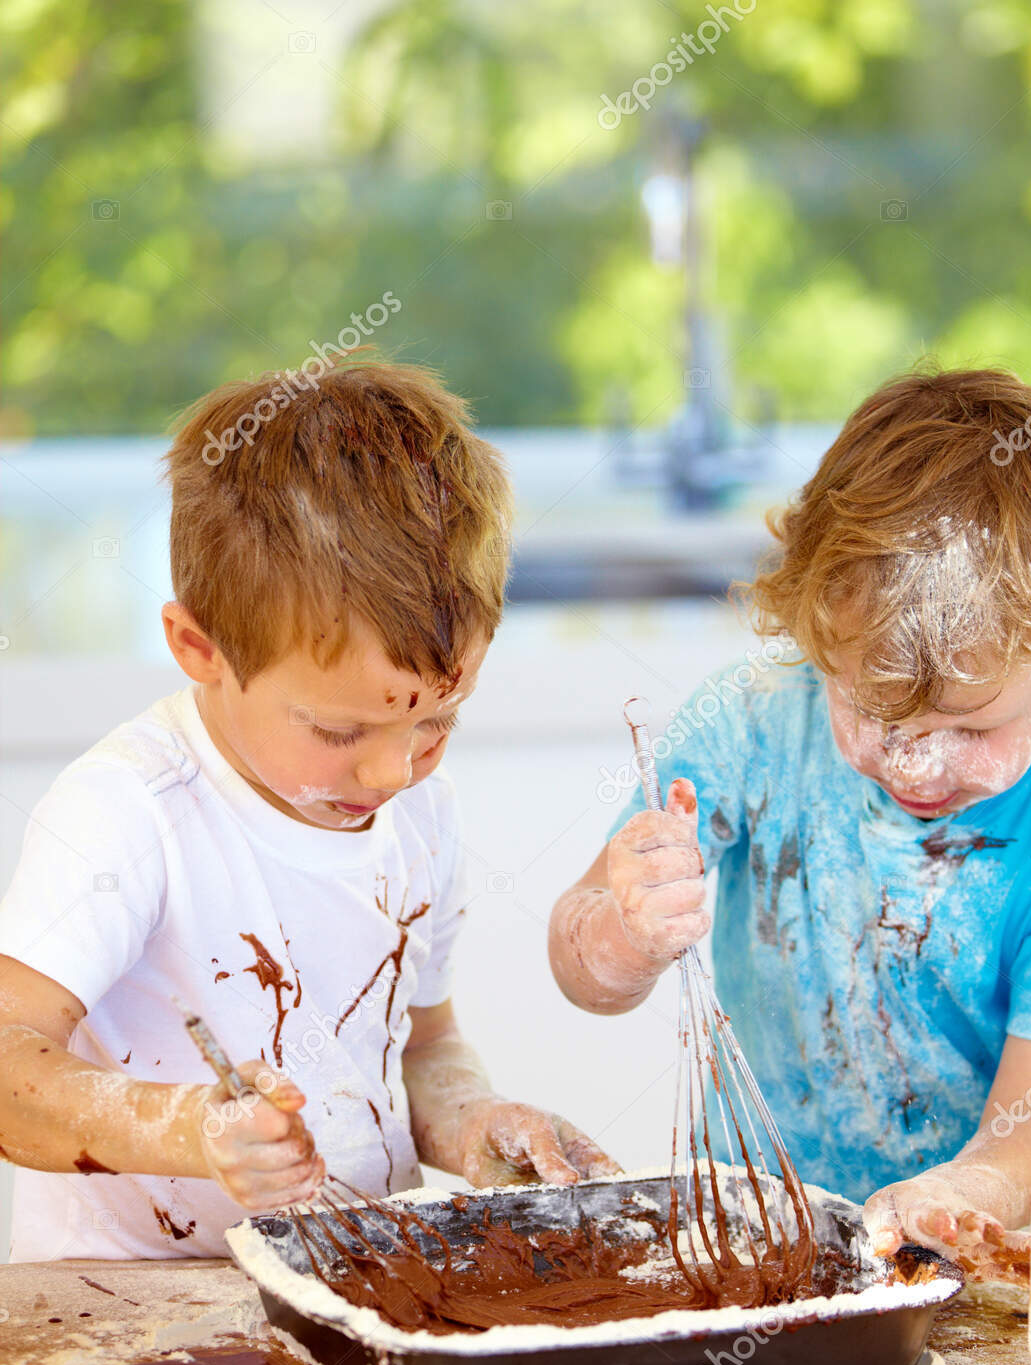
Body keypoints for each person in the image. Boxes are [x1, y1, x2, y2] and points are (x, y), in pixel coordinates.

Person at [548, 369, 1031, 1278]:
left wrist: (968, 1192)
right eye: (879, 714)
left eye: (971, 727)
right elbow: (584, 975)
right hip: (752, 1237)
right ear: (814, 627)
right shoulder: (746, 727)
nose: (918, 762)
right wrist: (623, 931)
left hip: (973, 1271)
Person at [0, 358, 615, 1261]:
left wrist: (472, 1123)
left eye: (440, 719)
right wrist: (189, 1130)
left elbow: (424, 1043)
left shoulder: (420, 809)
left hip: (356, 1288)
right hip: (139, 1316)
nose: (395, 769)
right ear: (197, 647)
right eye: (336, 728)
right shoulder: (127, 812)